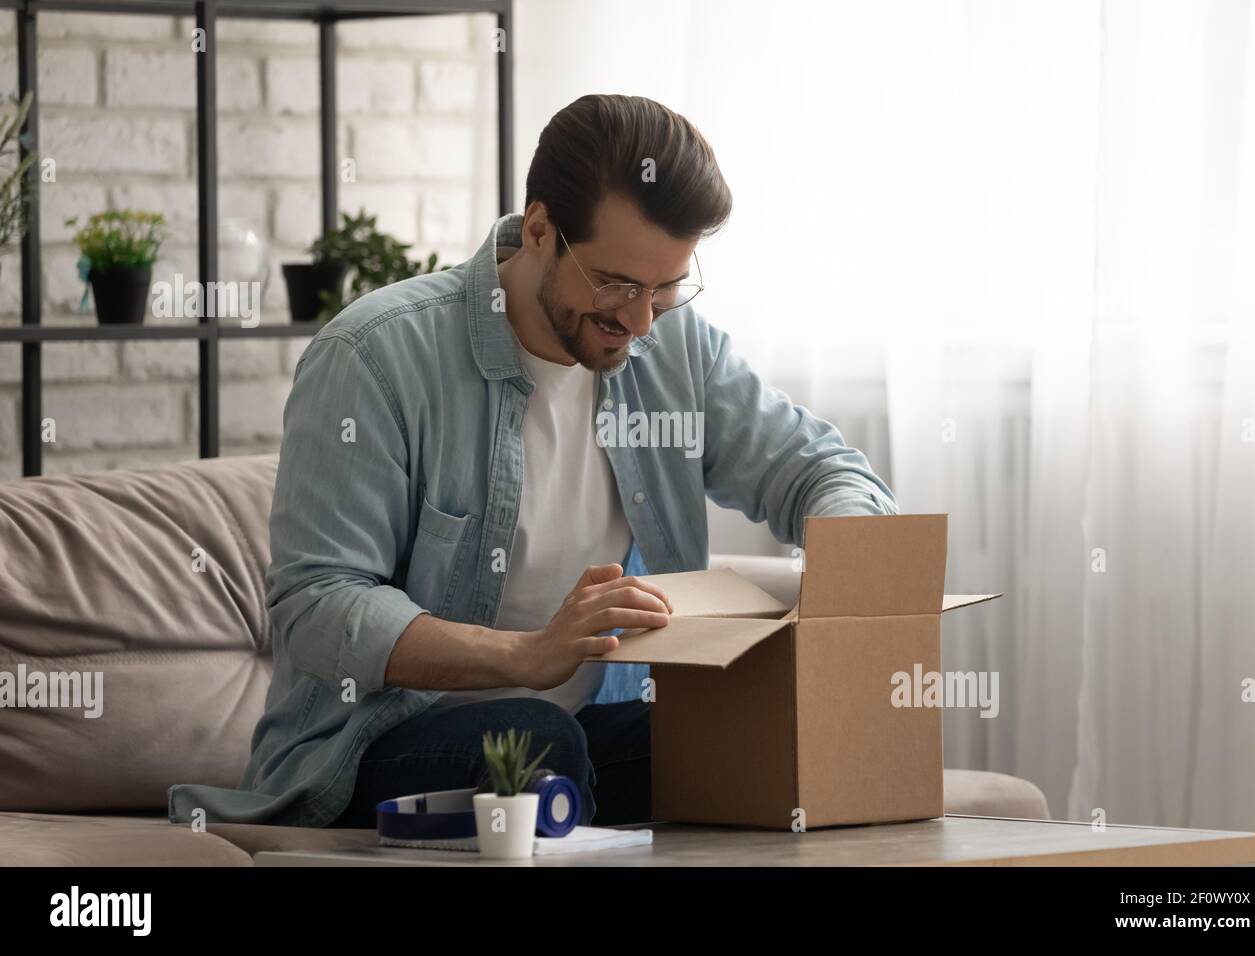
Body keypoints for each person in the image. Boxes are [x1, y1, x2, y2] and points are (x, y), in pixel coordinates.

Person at [166, 93, 896, 831]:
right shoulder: (375, 356)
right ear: (541, 230)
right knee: (540, 744)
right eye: (616, 283)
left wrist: (840, 586)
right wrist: (526, 654)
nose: (640, 321)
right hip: (378, 745)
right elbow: (319, 605)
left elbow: (826, 471)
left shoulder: (675, 351)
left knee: (765, 746)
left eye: (666, 287)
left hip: (582, 740)